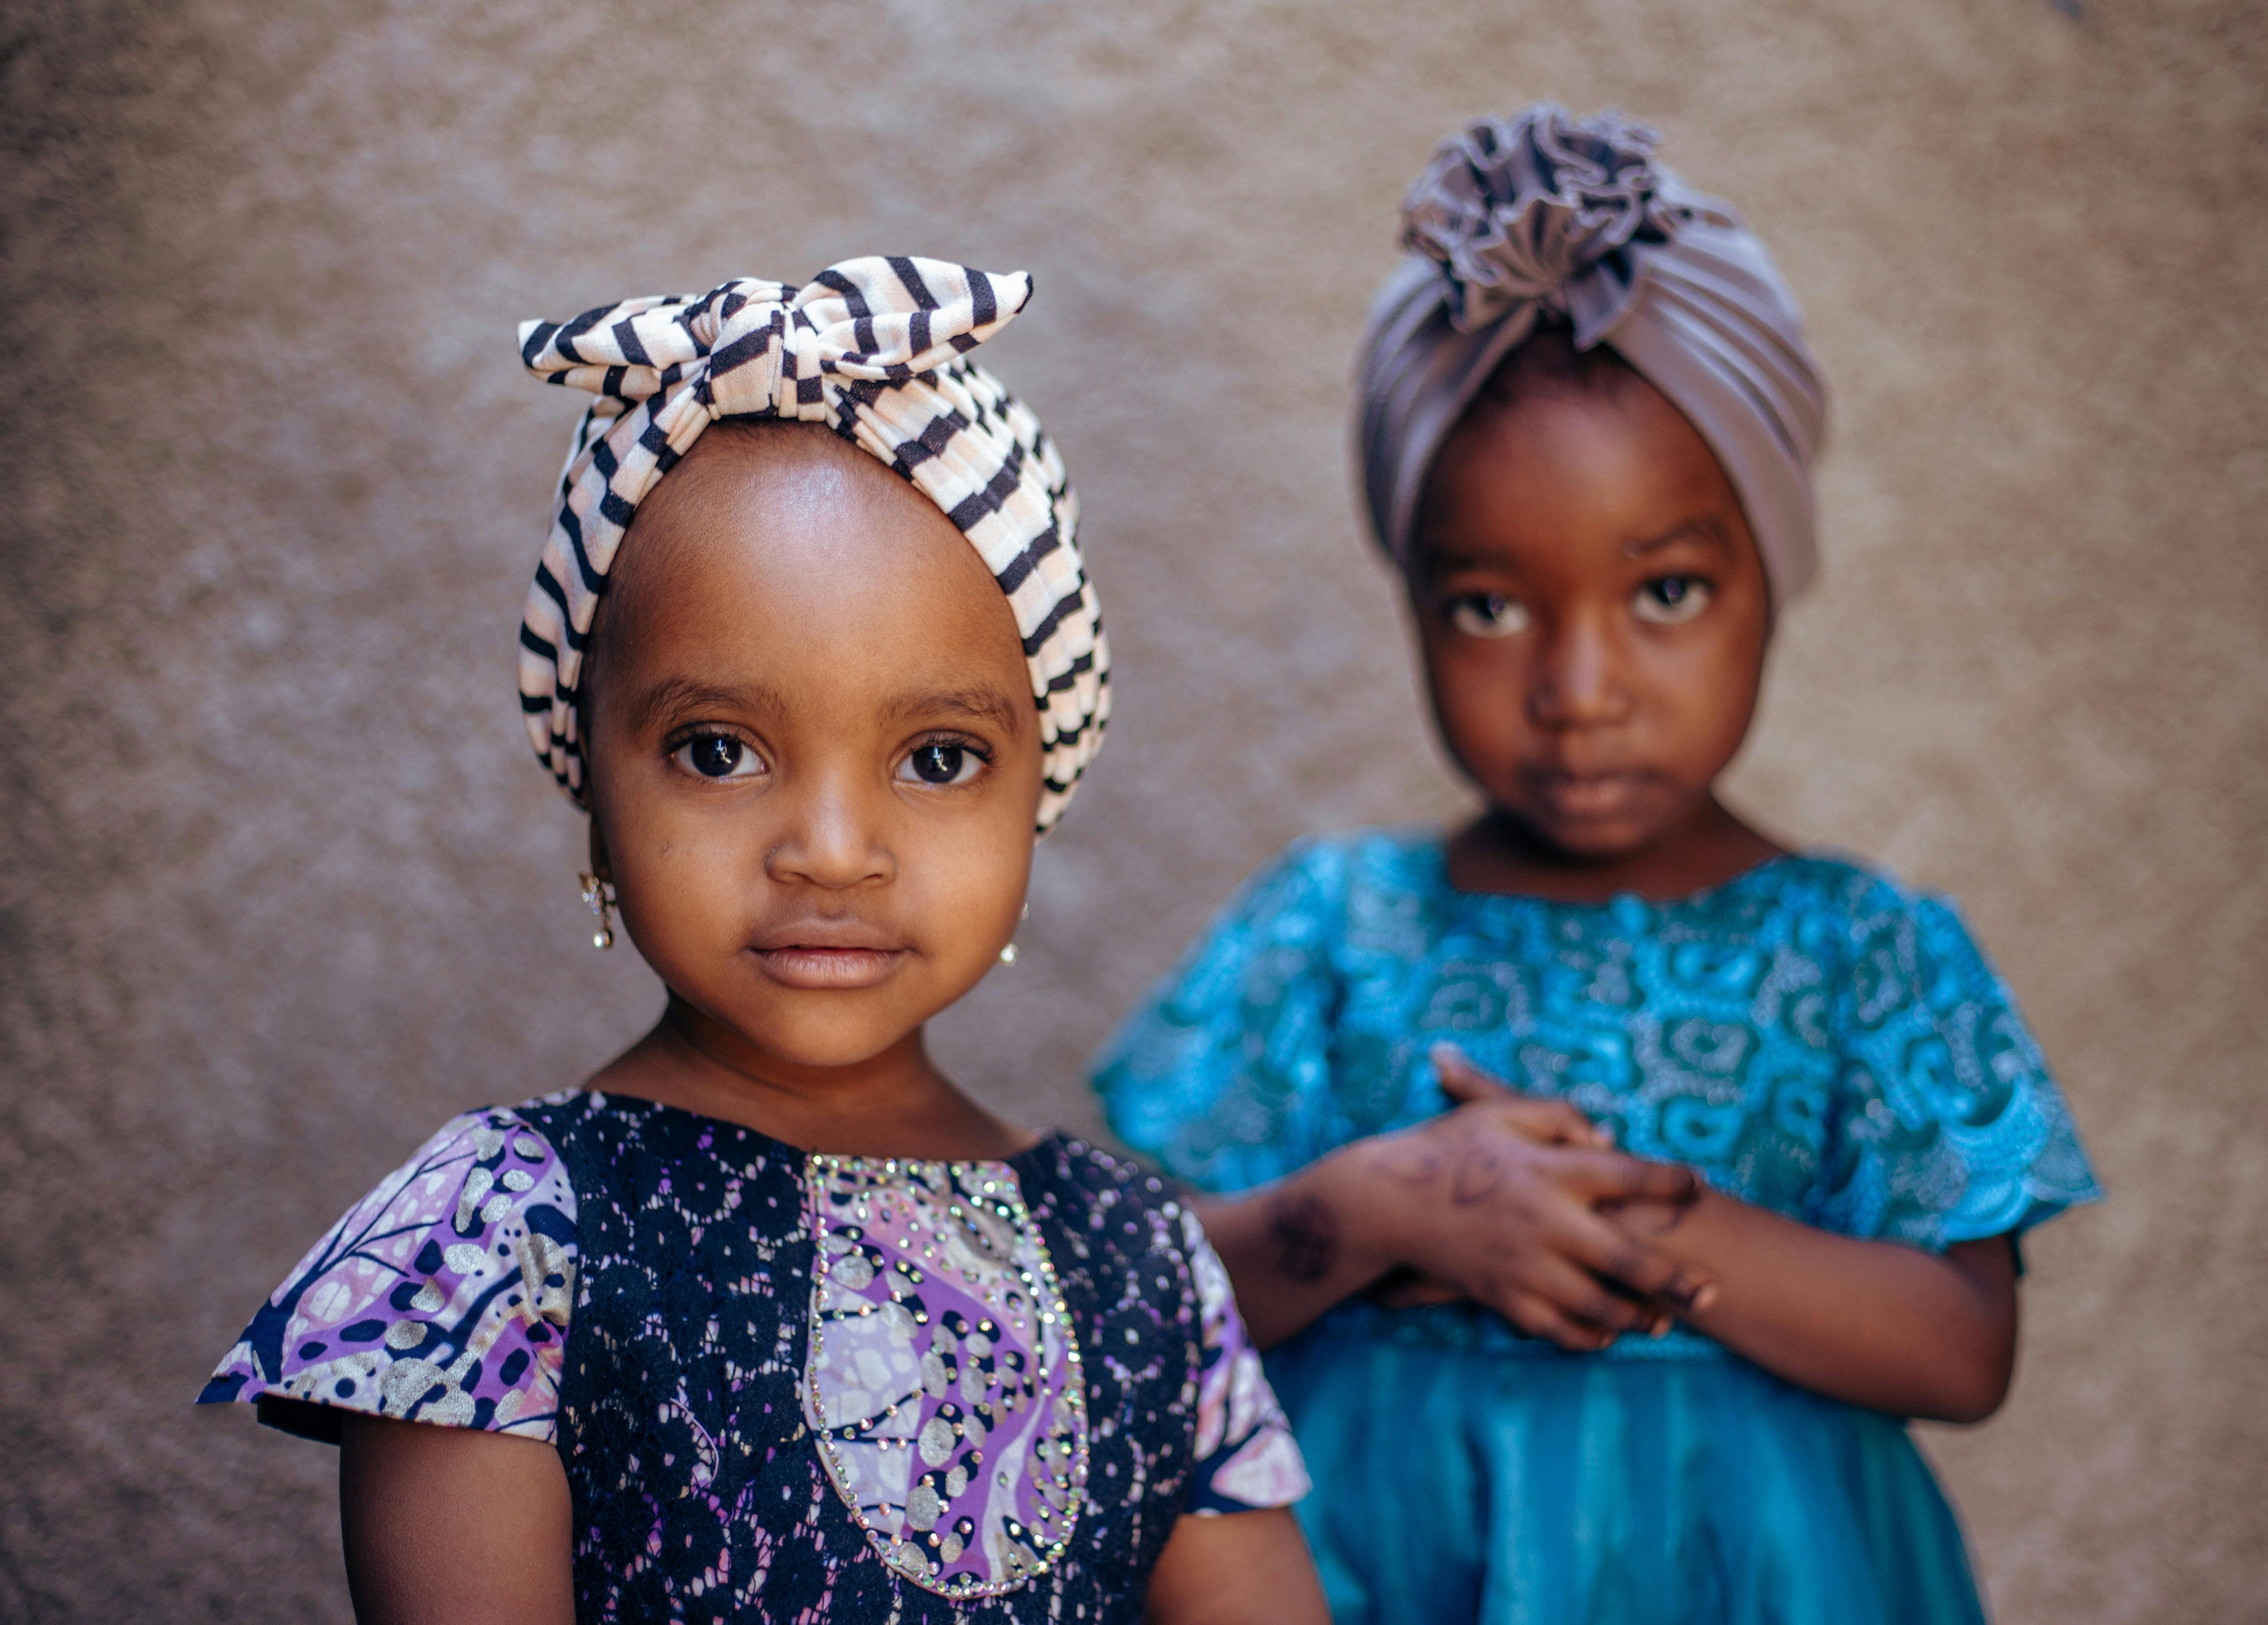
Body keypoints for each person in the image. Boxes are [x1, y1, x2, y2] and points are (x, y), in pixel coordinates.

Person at [200, 258, 1324, 1625]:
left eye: (939, 757)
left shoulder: (1139, 1261)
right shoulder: (498, 1236)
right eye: (719, 750)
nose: (832, 850)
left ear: (1043, 787)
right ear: (595, 788)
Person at [1092, 108, 2104, 1625]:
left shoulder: (1862, 952)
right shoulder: (1331, 926)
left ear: (1773, 576)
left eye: (1667, 593)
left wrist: (1622, 1219)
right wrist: (1398, 1204)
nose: (1580, 689)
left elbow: (1963, 1350)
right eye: (1490, 610)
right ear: (1413, 604)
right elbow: (1138, 1307)